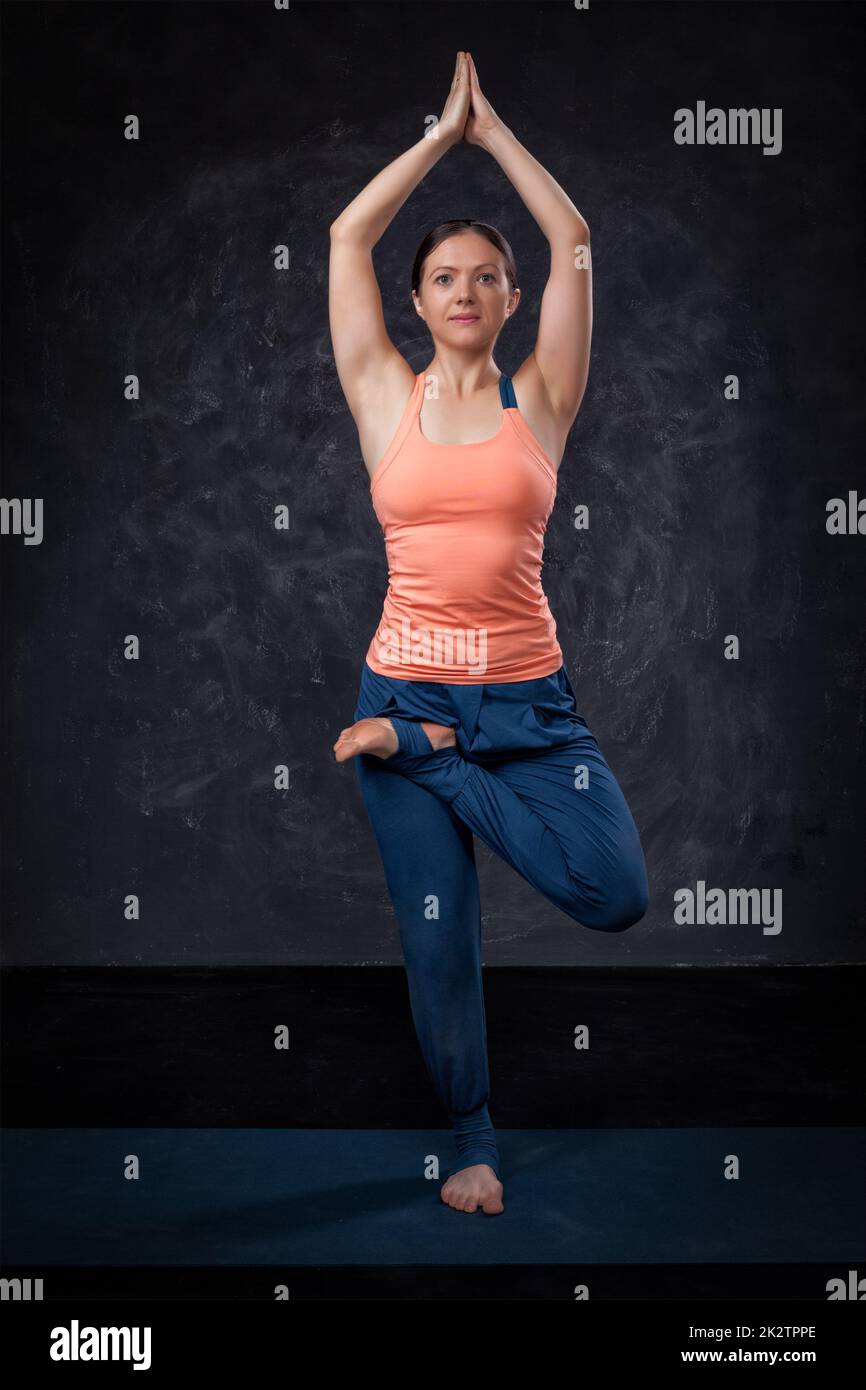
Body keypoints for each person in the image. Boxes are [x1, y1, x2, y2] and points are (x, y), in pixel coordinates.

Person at [328, 52, 649, 1216]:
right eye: (444, 276)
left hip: (525, 707)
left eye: (487, 278)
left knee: (613, 890)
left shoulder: (542, 398)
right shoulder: (380, 393)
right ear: (416, 301)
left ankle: (427, 762)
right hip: (403, 683)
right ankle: (472, 1141)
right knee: (440, 940)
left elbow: (570, 238)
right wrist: (432, 141)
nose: (465, 290)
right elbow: (341, 239)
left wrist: (491, 129)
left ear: (511, 302)